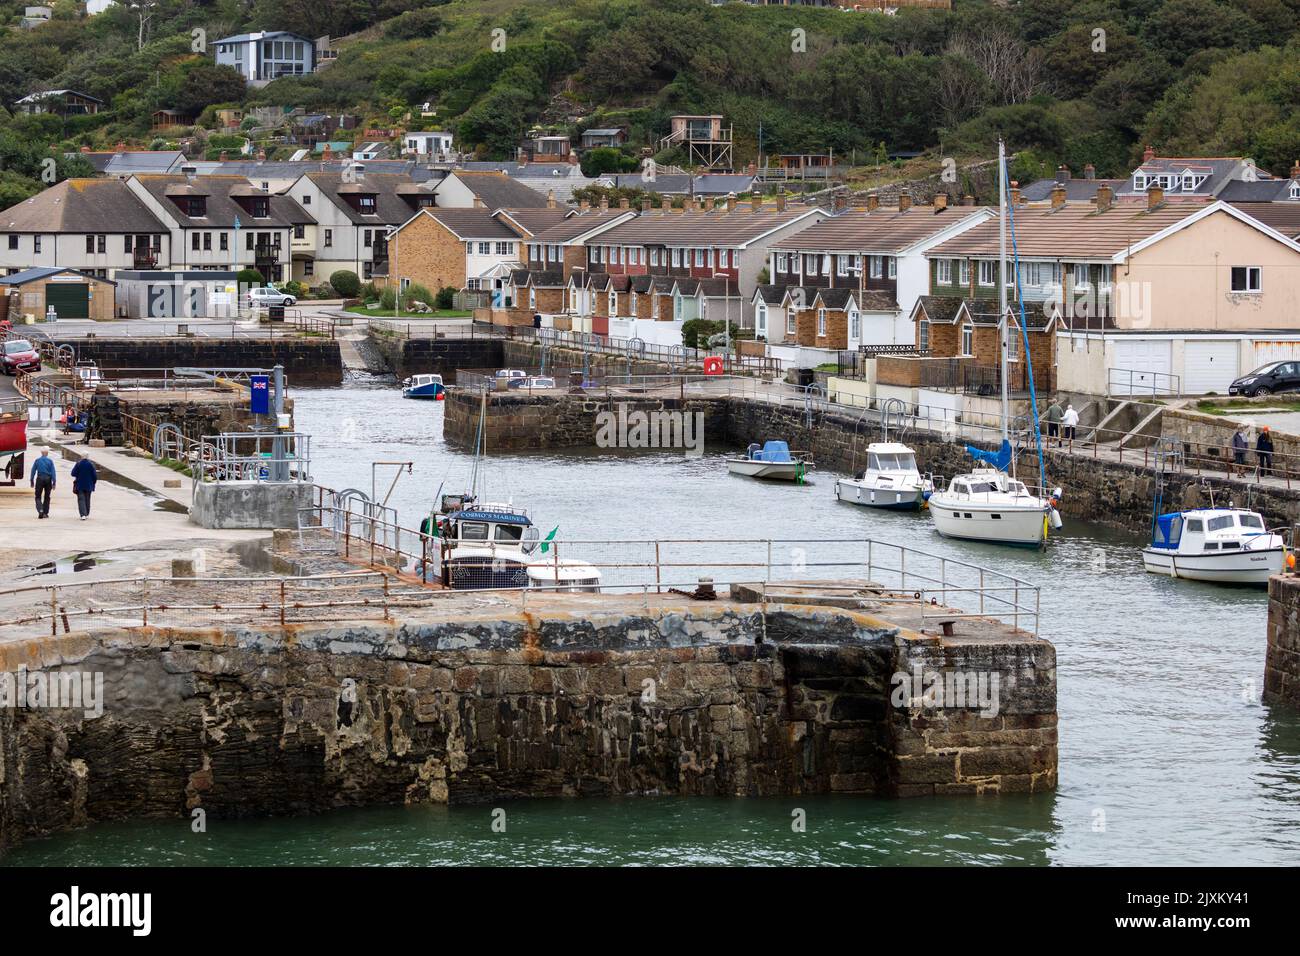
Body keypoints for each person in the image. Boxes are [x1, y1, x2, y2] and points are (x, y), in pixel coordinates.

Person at [29, 448, 55, 518]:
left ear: (41, 453)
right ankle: (45, 513)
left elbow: (33, 471)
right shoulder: (50, 461)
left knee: (38, 496)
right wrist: (54, 482)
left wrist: (31, 480)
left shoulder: (37, 461)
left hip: (40, 479)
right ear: (47, 453)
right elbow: (53, 472)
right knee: (47, 497)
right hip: (48, 479)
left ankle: (40, 510)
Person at [70, 454, 98, 520]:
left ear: (81, 457)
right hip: (89, 485)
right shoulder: (91, 464)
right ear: (88, 457)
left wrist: (78, 474)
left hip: (80, 484)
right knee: (87, 499)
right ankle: (87, 513)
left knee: (81, 499)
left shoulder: (78, 464)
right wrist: (93, 482)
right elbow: (94, 475)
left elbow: (73, 473)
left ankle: (83, 515)